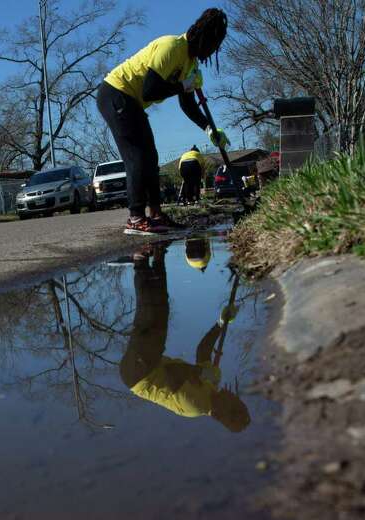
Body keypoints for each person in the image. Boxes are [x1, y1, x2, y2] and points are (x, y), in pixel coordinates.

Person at [97, 8, 231, 236]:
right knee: (137, 156)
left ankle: (157, 216)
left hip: (132, 101)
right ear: (201, 37)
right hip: (116, 93)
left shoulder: (190, 64)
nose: (210, 51)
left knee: (151, 156)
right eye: (211, 45)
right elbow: (150, 90)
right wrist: (183, 85)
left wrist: (209, 128)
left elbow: (187, 105)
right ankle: (136, 219)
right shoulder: (171, 47)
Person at [119, 242, 251, 432]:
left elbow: (174, 372)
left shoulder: (195, 406)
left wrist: (198, 372)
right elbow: (203, 350)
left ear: (224, 410)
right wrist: (220, 324)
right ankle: (158, 255)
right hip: (151, 363)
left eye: (233, 398)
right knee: (161, 311)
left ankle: (140, 261)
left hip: (138, 374)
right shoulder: (212, 387)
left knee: (149, 321)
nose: (231, 392)